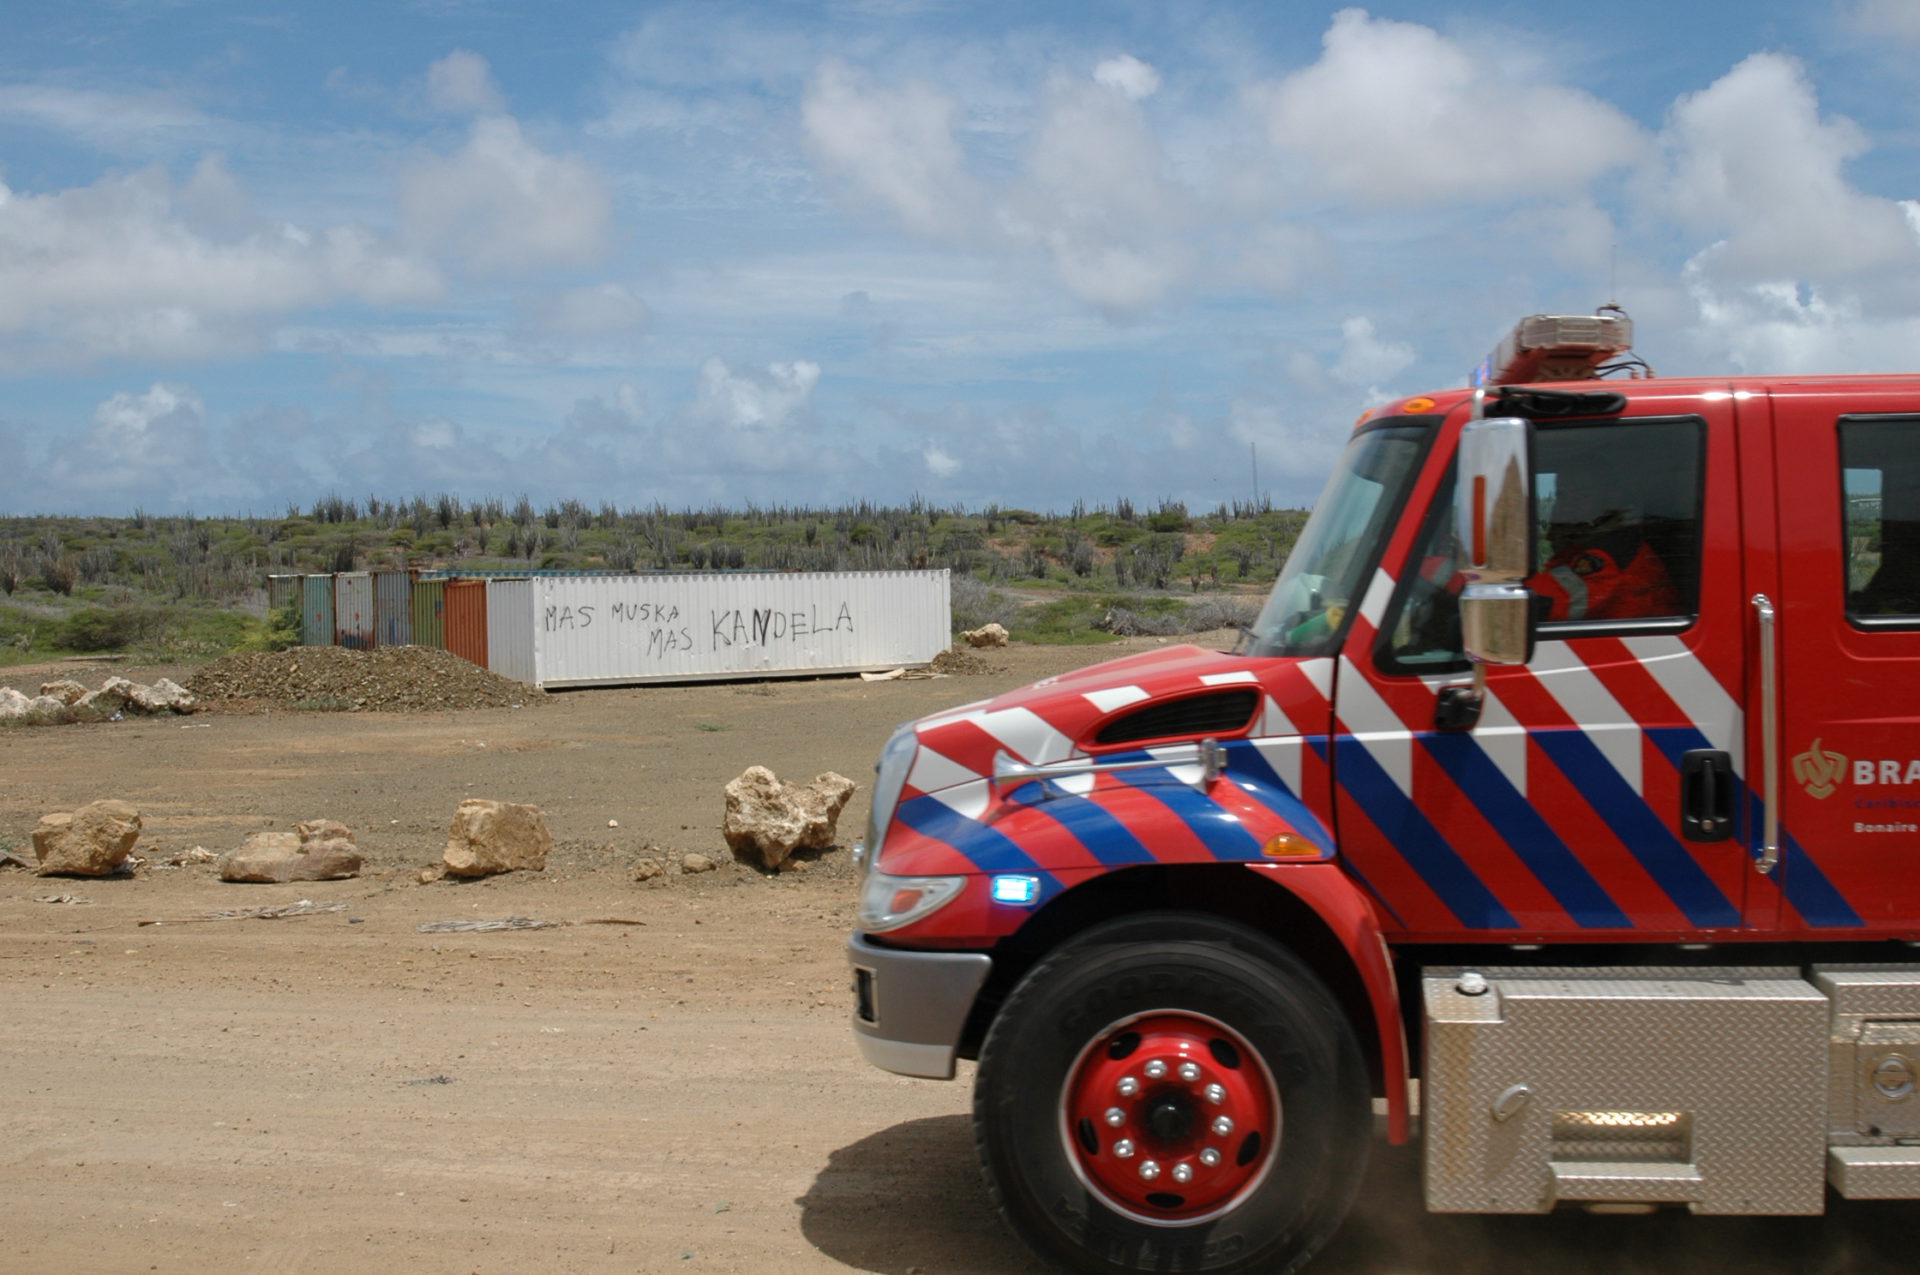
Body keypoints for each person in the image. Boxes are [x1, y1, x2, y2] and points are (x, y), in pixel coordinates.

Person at [1529, 485, 1677, 621]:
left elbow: (1557, 601)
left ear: (1611, 497)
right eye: (1561, 496)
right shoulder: (1582, 545)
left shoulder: (1615, 547)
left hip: (1641, 646)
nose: (1568, 505)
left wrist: (1514, 593)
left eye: (1582, 495)